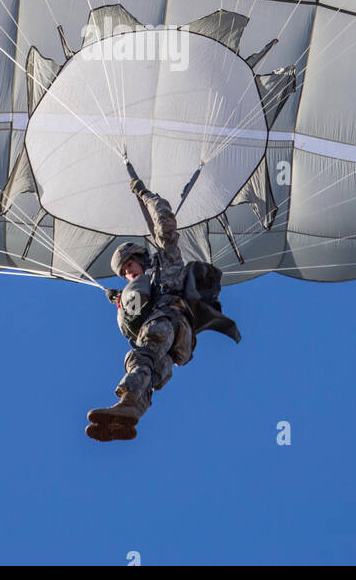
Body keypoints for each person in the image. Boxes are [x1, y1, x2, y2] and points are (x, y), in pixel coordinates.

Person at [86, 164, 242, 442]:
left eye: (130, 266)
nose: (129, 274)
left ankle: (127, 401)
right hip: (178, 341)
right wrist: (121, 300)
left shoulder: (167, 262)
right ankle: (131, 413)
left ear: (141, 259)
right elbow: (138, 305)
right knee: (153, 372)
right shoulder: (143, 288)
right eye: (124, 273)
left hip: (167, 320)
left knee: (142, 357)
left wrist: (146, 196)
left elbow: (166, 223)